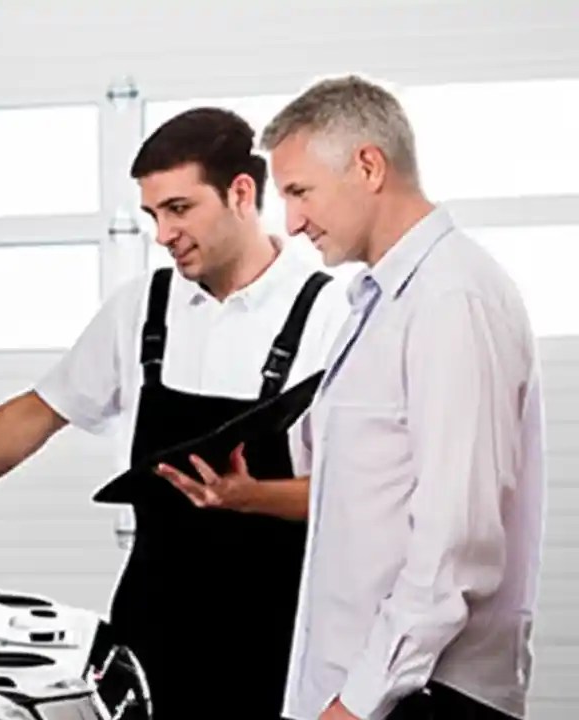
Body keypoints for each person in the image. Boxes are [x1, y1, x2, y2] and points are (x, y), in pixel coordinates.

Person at [0, 107, 352, 718]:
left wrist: (247, 497)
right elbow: (39, 411)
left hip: (276, 640)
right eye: (153, 215)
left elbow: (356, 495)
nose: (163, 234)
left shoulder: (331, 318)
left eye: (180, 209)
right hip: (152, 628)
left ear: (241, 193)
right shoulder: (144, 308)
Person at [260, 75, 546, 720]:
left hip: (416, 697)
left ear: (368, 165)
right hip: (367, 687)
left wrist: (357, 703)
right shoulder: (376, 303)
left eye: (300, 192)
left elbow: (457, 542)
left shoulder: (451, 298)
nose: (293, 222)